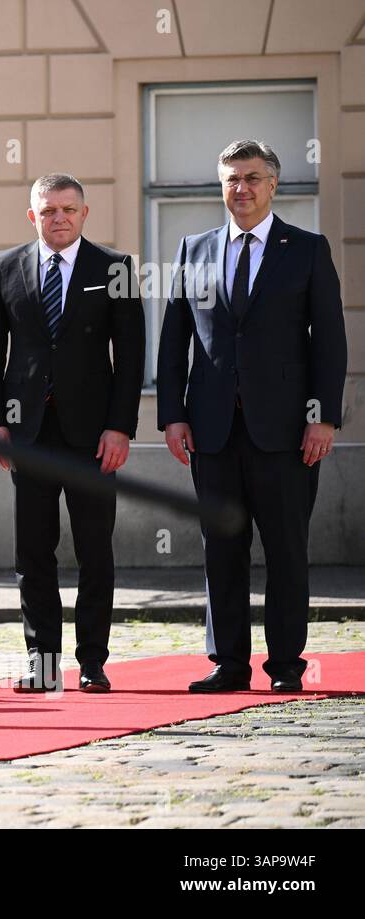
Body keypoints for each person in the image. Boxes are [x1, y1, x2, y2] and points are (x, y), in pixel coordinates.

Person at [158, 140, 348, 694]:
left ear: (273, 185)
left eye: (252, 177)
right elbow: (175, 341)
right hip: (212, 430)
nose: (240, 188)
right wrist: (173, 415)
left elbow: (329, 344)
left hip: (288, 432)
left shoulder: (307, 250)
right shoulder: (193, 250)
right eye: (231, 179)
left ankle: (286, 664)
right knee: (221, 549)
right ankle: (229, 663)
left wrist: (323, 417)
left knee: (286, 548)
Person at [0, 174, 145, 693]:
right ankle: (42, 662)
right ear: (33, 216)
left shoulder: (115, 268)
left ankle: (93, 662)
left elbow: (131, 355)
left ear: (84, 212)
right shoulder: (5, 267)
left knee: (95, 549)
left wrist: (120, 427)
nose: (59, 218)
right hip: (28, 432)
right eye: (48, 211)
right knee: (33, 552)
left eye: (68, 209)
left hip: (93, 435)